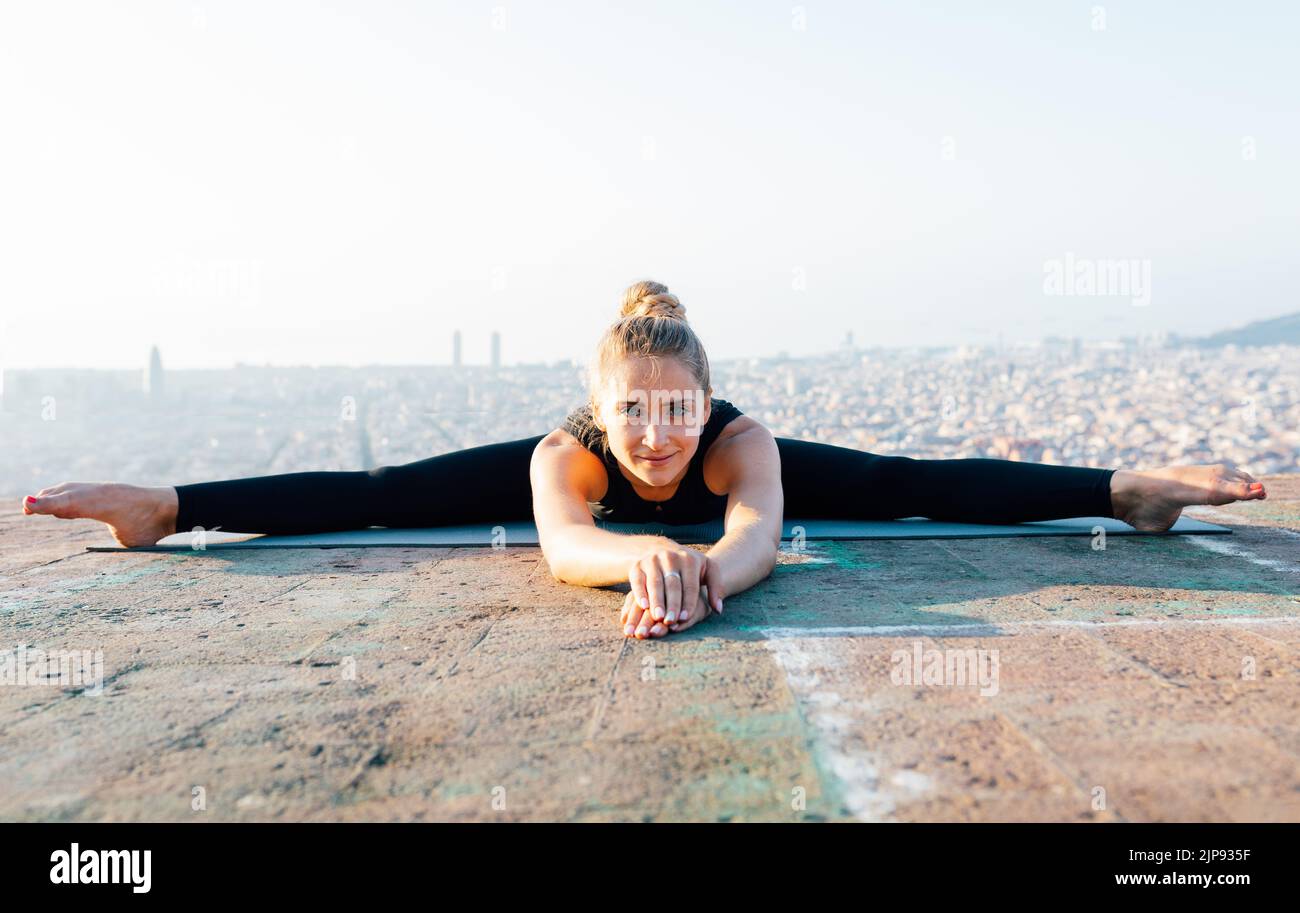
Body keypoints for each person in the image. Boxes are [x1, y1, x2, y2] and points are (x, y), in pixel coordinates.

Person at [21, 280, 1267, 640]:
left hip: (741, 511)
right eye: (639, 412)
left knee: (894, 476)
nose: (660, 432)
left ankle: (1128, 492)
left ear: (707, 401)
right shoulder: (565, 453)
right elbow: (565, 549)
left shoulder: (737, 440)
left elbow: (762, 535)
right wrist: (646, 562)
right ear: (598, 411)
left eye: (680, 408)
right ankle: (166, 506)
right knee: (390, 491)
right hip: (583, 501)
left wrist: (708, 570)